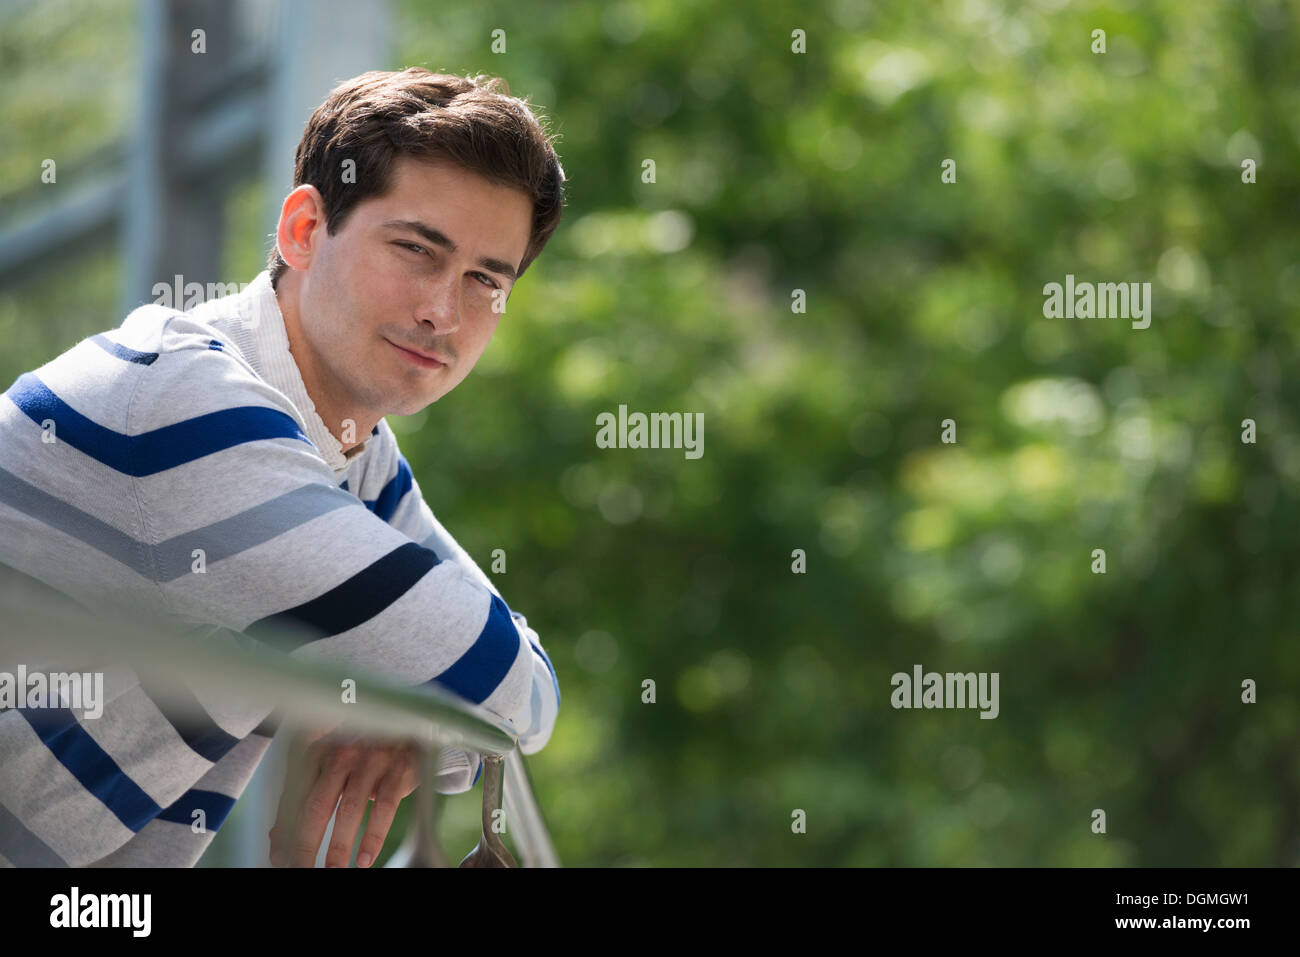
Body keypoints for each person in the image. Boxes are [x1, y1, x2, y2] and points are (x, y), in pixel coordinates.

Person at [0, 67, 565, 868]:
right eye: (414, 248)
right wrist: (408, 687)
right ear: (303, 230)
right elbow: (501, 674)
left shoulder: (350, 451)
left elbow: (517, 678)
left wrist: (413, 713)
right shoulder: (190, 403)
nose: (444, 309)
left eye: (484, 280)